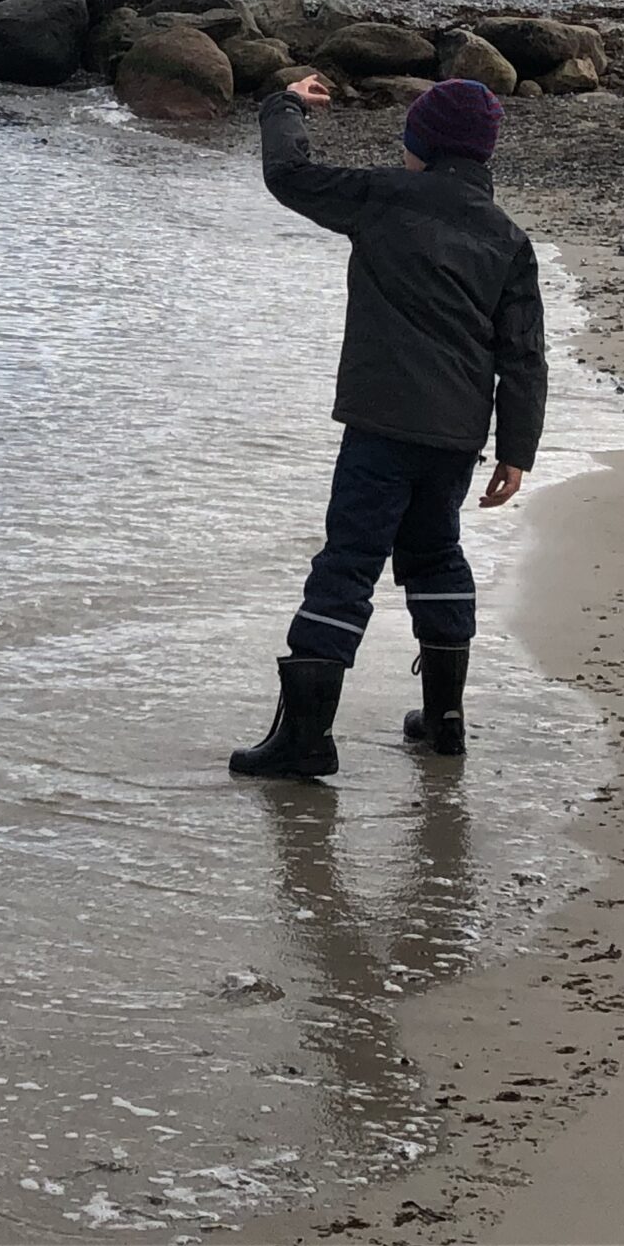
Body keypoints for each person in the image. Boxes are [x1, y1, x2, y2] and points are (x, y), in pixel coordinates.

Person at [229, 74, 547, 779]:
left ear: (420, 146)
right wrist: (516, 450)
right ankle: (445, 721)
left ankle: (306, 738)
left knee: (348, 564)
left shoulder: (381, 198)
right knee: (436, 557)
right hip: (458, 437)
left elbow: (289, 174)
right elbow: (523, 355)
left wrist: (281, 105)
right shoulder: (507, 239)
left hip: (381, 428)